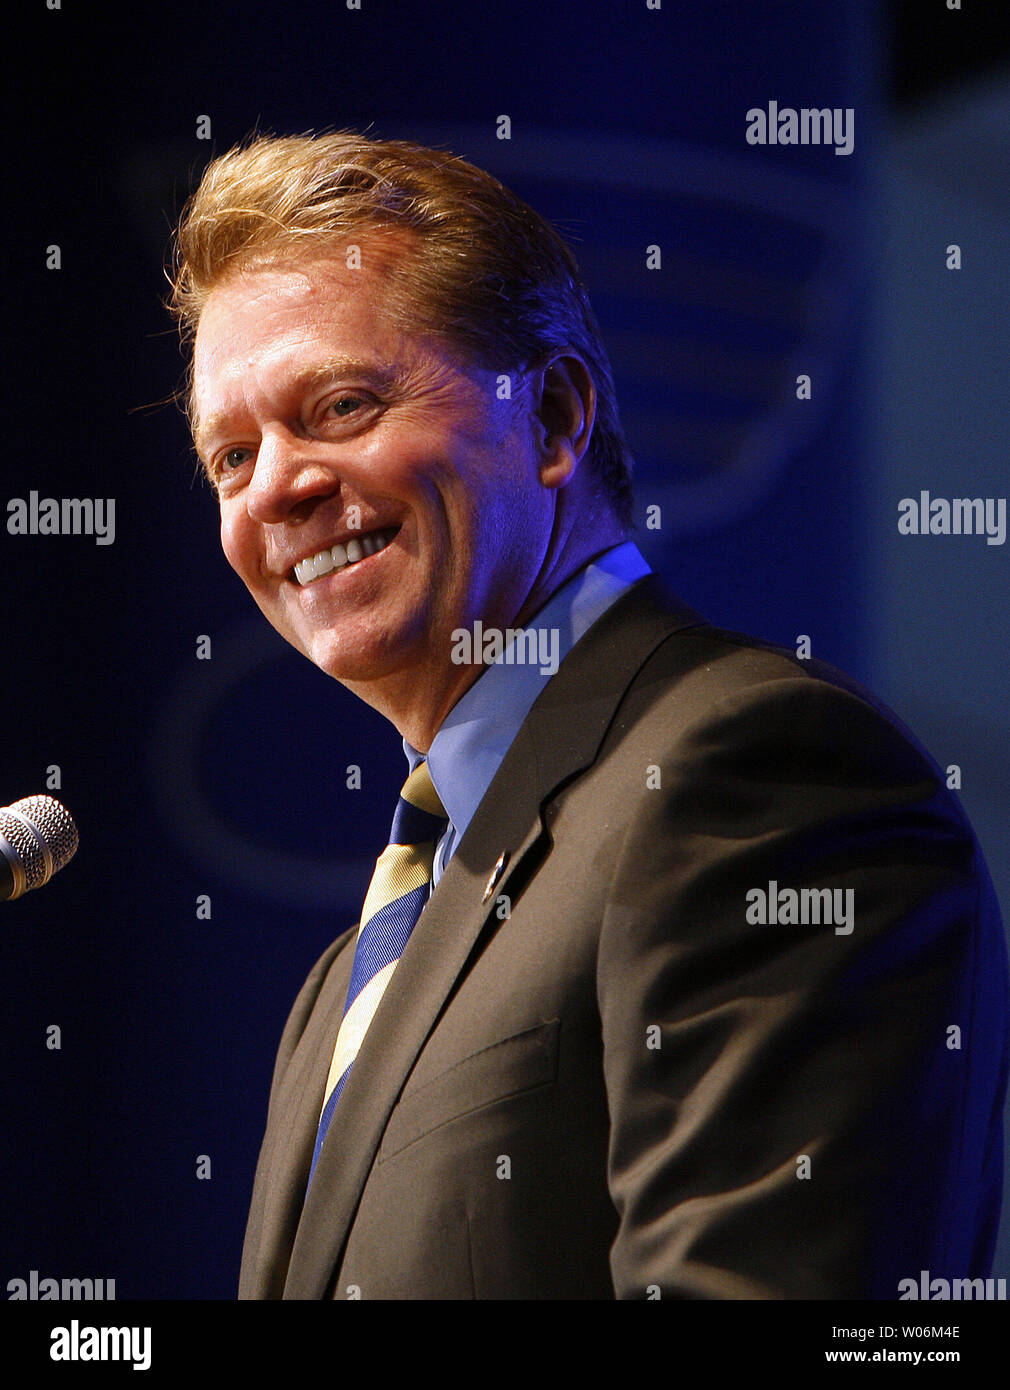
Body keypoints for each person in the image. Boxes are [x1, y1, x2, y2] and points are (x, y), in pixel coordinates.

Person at [169, 130, 1008, 1300]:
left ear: (554, 418)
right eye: (231, 456)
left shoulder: (754, 773)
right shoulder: (345, 980)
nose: (277, 488)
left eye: (344, 405)